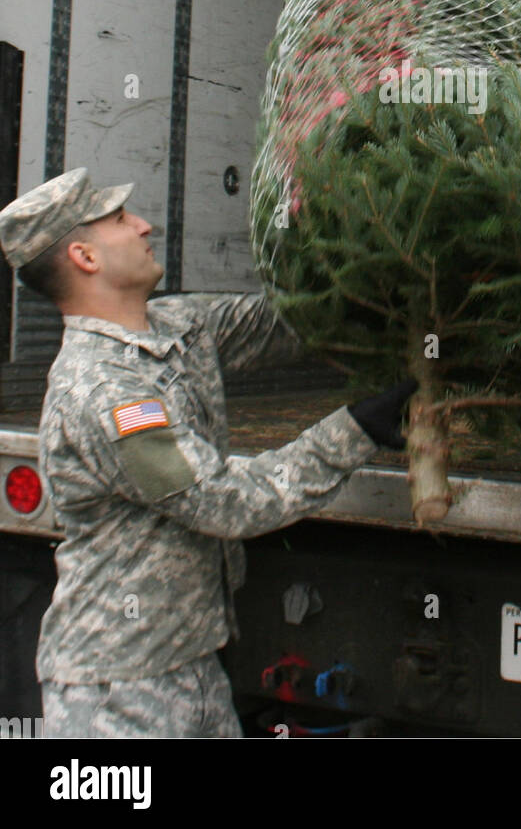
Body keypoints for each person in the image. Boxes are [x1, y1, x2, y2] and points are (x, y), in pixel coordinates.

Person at [0, 167, 414, 738]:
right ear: (85, 257)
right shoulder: (103, 393)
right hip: (120, 695)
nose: (145, 225)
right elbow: (223, 501)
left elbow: (284, 325)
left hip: (191, 668)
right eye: (121, 220)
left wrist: (389, 263)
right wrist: (353, 431)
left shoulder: (175, 325)